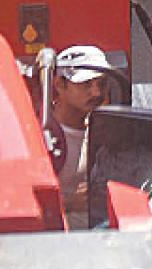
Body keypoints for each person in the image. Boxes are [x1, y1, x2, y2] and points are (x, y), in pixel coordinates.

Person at [45, 44, 121, 211]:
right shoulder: (43, 139)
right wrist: (68, 204)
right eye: (85, 84)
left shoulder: (106, 128)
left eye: (101, 83)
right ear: (59, 84)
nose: (96, 93)